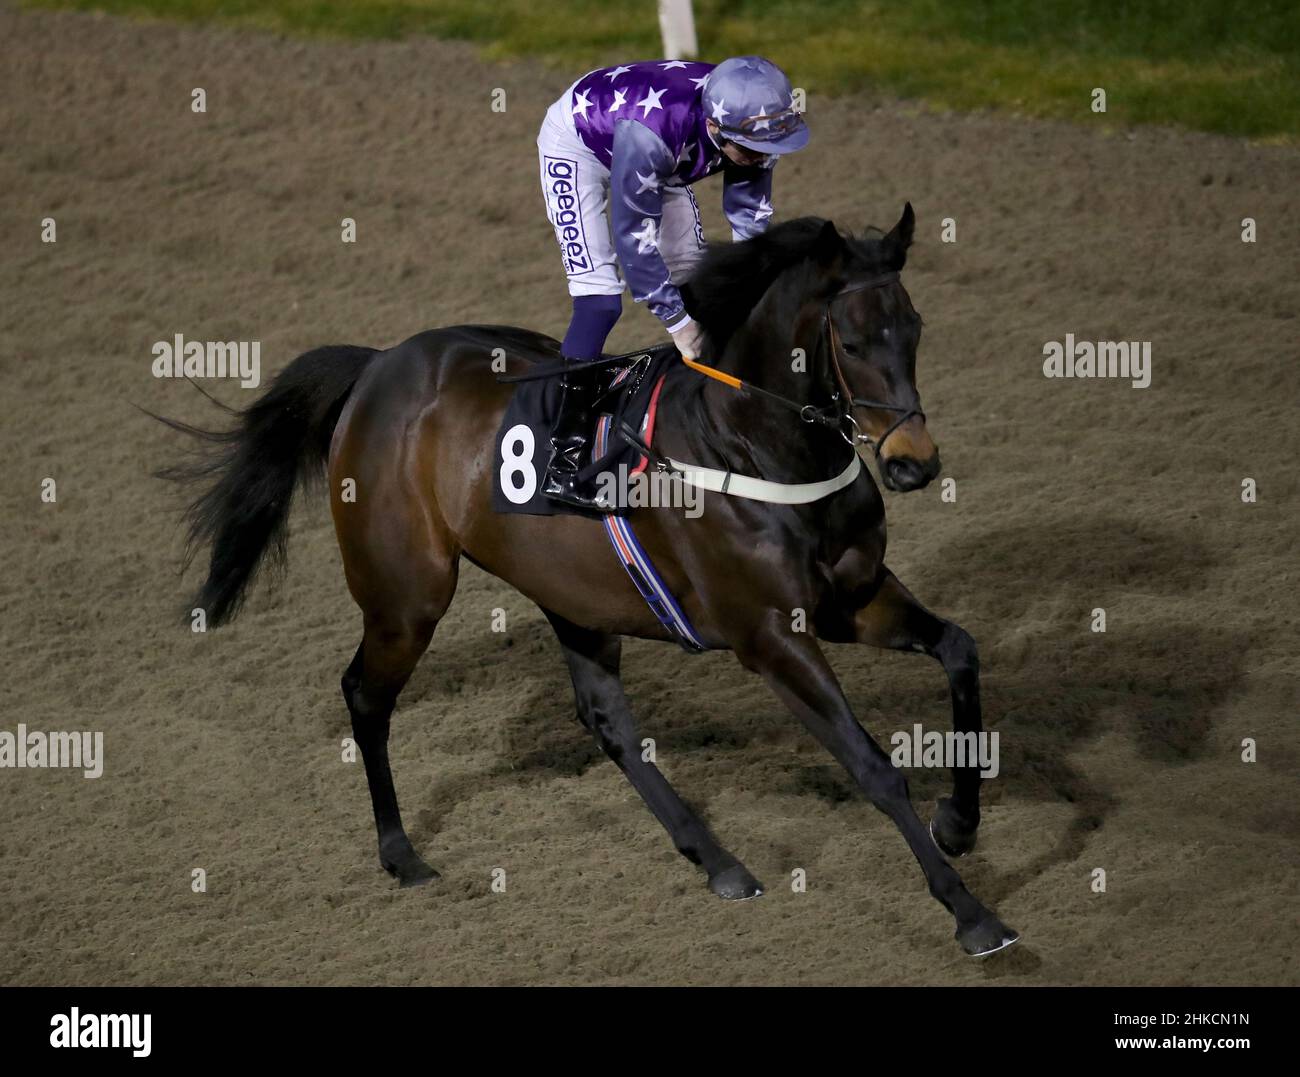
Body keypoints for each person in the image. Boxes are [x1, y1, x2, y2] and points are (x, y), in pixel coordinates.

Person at [535, 55, 810, 510]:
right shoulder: (653, 139)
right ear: (718, 129)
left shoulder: (755, 126)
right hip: (582, 145)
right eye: (749, 151)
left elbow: (750, 229)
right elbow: (634, 240)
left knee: (695, 276)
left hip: (660, 148)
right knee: (600, 299)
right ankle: (562, 460)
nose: (760, 161)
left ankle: (704, 412)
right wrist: (680, 327)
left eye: (767, 151)